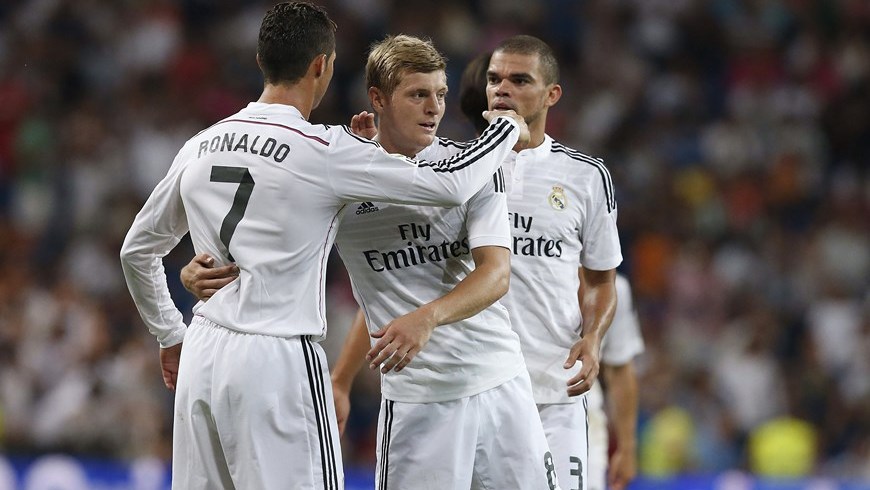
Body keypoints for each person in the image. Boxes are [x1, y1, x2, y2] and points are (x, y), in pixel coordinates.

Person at [119, 2, 528, 488]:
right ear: (322, 66)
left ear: (260, 62)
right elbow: (450, 187)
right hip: (277, 356)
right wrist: (504, 129)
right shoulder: (322, 150)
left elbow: (137, 251)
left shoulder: (201, 143)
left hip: (203, 352)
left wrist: (170, 334)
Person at [460, 36, 622, 490]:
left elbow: (600, 281)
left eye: (519, 80)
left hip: (554, 389)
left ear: (552, 94)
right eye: (494, 79)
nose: (502, 89)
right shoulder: (454, 169)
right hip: (473, 387)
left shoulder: (586, 177)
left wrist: (592, 339)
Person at [586, 273, 644, 490]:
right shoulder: (517, 267)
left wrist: (627, 448)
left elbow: (620, 368)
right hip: (520, 406)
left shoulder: (616, 286)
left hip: (585, 420)